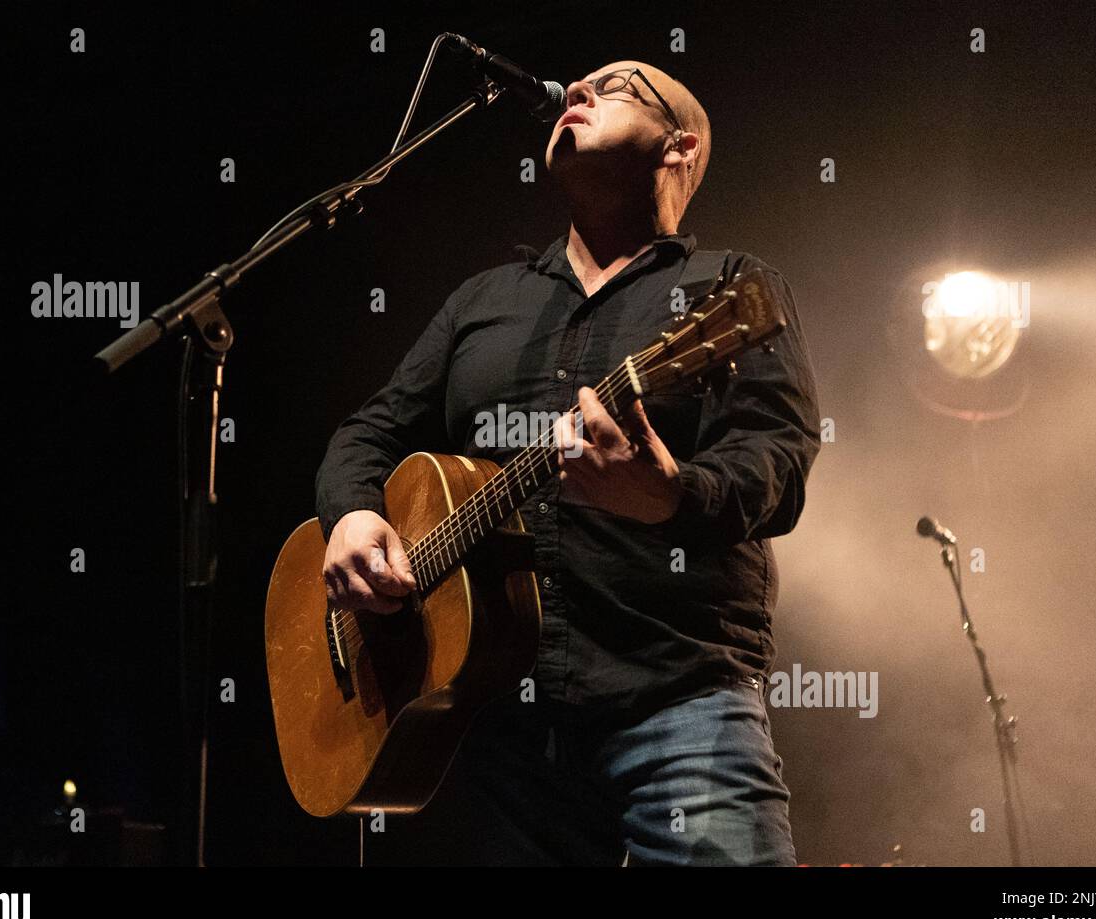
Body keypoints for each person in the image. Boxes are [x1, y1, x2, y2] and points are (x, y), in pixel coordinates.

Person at [315, 60, 821, 865]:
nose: (577, 91)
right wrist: (352, 515)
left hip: (675, 695)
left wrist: (669, 496)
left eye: (615, 86)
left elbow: (780, 461)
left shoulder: (727, 289)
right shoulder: (485, 301)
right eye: (578, 84)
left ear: (677, 147)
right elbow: (369, 432)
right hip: (487, 727)